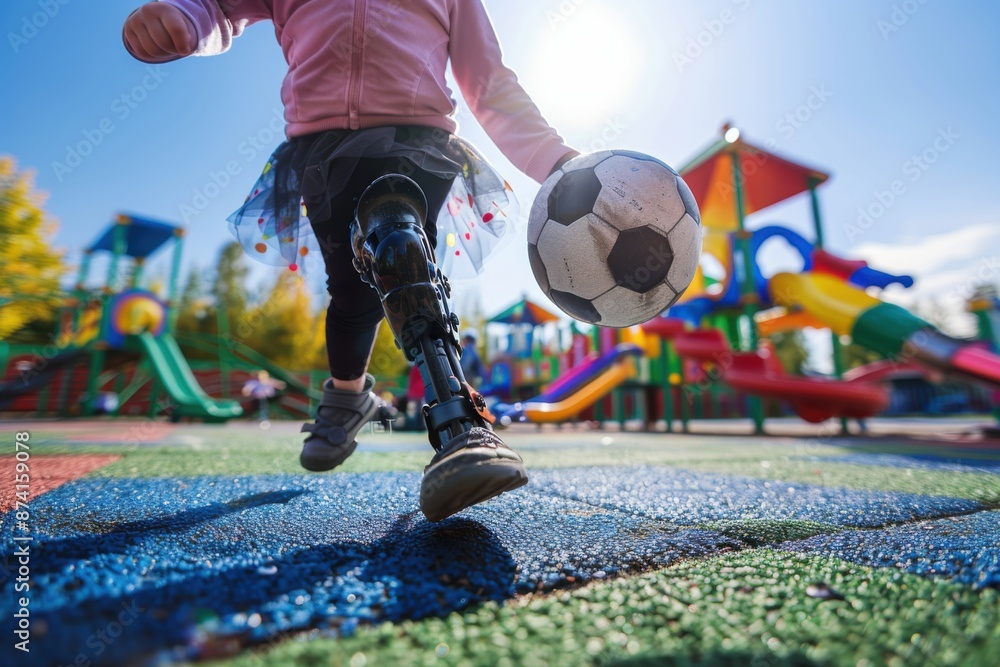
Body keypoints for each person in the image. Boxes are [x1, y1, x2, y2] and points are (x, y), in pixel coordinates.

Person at [122, 0, 579, 519]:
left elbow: (488, 80)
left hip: (418, 140)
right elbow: (221, 8)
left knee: (401, 250)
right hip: (324, 149)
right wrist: (185, 18)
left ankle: (462, 427)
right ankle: (348, 397)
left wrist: (556, 161)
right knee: (353, 294)